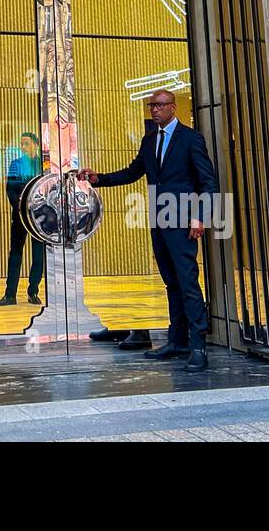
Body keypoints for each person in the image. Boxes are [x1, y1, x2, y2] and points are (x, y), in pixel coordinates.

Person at [83, 90, 219, 372]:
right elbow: (132, 172)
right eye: (150, 106)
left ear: (172, 107)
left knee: (188, 282)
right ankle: (177, 340)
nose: (153, 110)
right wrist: (99, 179)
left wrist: (200, 217)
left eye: (158, 105)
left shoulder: (190, 138)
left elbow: (208, 182)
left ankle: (198, 346)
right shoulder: (150, 140)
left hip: (182, 220)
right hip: (159, 219)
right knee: (171, 283)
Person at [0, 132, 45, 307]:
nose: (23, 147)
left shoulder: (43, 165)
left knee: (39, 255)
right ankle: (10, 295)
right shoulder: (15, 164)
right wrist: (19, 206)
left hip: (39, 216)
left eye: (26, 144)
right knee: (15, 253)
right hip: (20, 215)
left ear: (35, 145)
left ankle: (33, 291)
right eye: (21, 144)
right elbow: (10, 189)